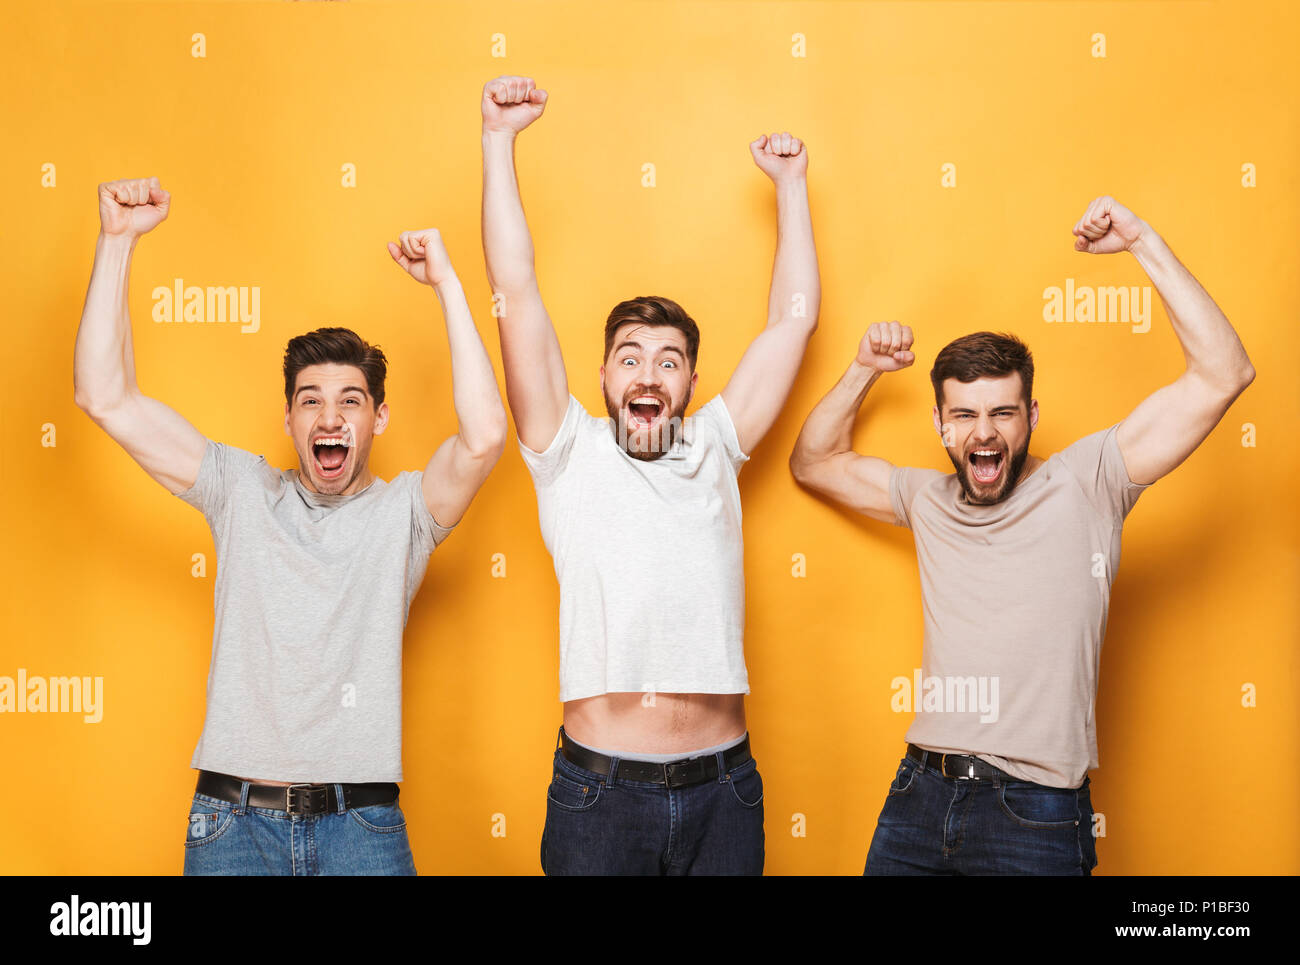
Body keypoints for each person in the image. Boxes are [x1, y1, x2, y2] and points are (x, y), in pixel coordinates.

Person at [789, 196, 1254, 875]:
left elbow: (1223, 373)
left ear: (1031, 414)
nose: (985, 432)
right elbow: (813, 462)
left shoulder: (1091, 480)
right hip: (919, 795)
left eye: (1003, 412)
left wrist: (1143, 242)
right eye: (966, 416)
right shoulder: (924, 498)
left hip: (1034, 812)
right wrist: (863, 368)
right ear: (942, 426)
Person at [73, 178, 507, 875]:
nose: (329, 417)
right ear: (289, 420)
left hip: (362, 826)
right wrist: (117, 241)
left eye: (349, 400)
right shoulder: (241, 490)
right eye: (310, 401)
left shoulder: (406, 514)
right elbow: (105, 394)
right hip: (232, 827)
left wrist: (448, 282)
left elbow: (485, 434)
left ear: (379, 417)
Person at [479, 76, 820, 874]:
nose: (649, 373)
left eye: (669, 361)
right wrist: (498, 142)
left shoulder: (715, 444)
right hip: (600, 797)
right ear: (602, 376)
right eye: (630, 357)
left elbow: (793, 318)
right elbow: (516, 288)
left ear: (691, 384)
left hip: (724, 792)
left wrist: (792, 186)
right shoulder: (566, 450)